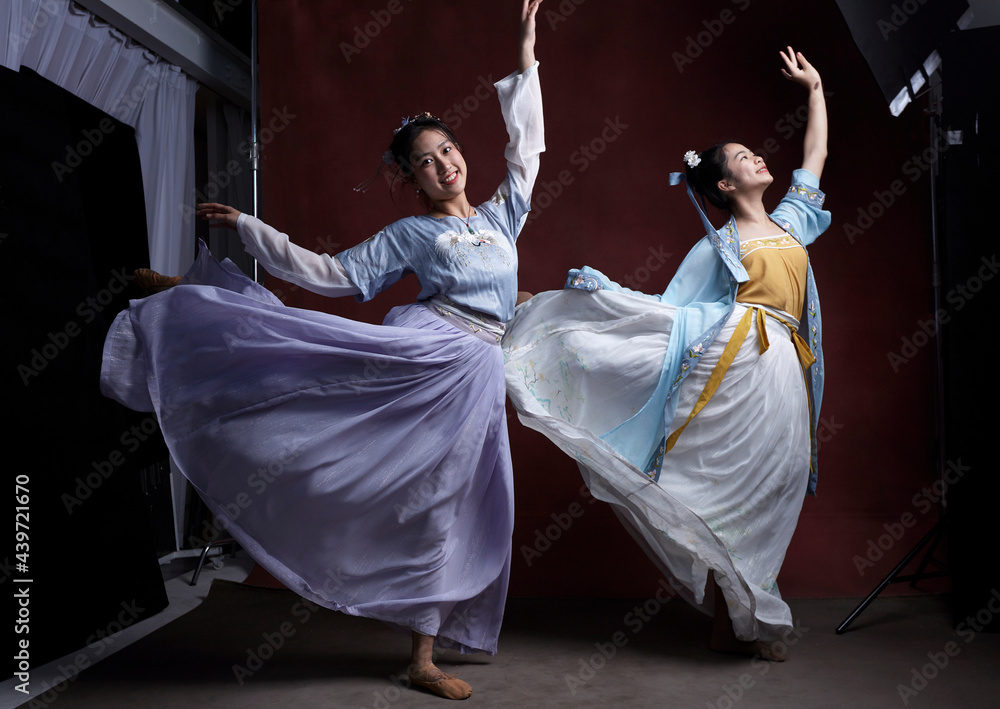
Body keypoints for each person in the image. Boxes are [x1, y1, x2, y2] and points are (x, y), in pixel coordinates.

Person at [101, 1, 544, 699]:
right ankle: (194, 304)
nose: (443, 165)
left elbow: (528, 148)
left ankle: (423, 651)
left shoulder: (501, 215)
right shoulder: (413, 234)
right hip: (429, 356)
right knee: (314, 384)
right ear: (412, 180)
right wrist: (253, 228)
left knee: (453, 503)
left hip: (477, 375)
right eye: (425, 162)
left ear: (462, 152)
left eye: (447, 150)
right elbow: (332, 274)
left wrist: (525, 54)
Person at [503, 46, 829, 660]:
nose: (758, 157)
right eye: (742, 158)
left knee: (773, 485)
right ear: (725, 185)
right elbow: (670, 307)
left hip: (783, 366)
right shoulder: (720, 244)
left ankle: (745, 610)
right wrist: (601, 297)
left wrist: (814, 91)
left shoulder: (792, 222)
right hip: (736, 367)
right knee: (728, 490)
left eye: (753, 152)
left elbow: (813, 158)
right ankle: (740, 617)